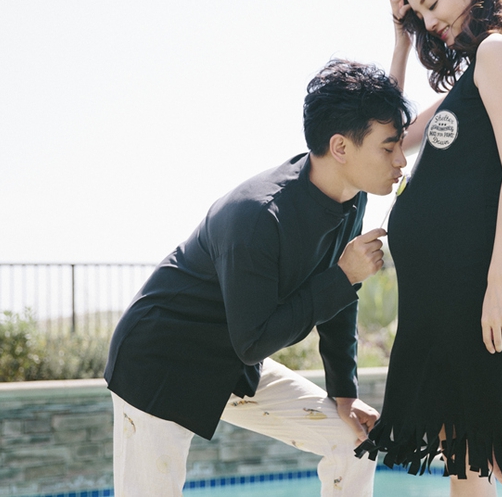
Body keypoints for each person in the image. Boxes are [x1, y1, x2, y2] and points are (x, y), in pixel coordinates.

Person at [105, 59, 412, 497]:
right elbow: (256, 338)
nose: (401, 159)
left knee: (353, 442)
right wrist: (343, 277)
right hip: (162, 360)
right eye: (388, 147)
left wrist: (344, 393)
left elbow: (339, 301)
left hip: (235, 362)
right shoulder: (257, 217)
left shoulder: (351, 197)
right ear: (341, 147)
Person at [354, 0, 502, 496]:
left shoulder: (497, 52)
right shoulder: (469, 77)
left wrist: (497, 285)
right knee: (461, 449)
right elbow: (391, 135)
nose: (428, 21)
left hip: (475, 285)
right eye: (418, 12)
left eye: (432, 2)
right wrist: (400, 42)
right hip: (437, 294)